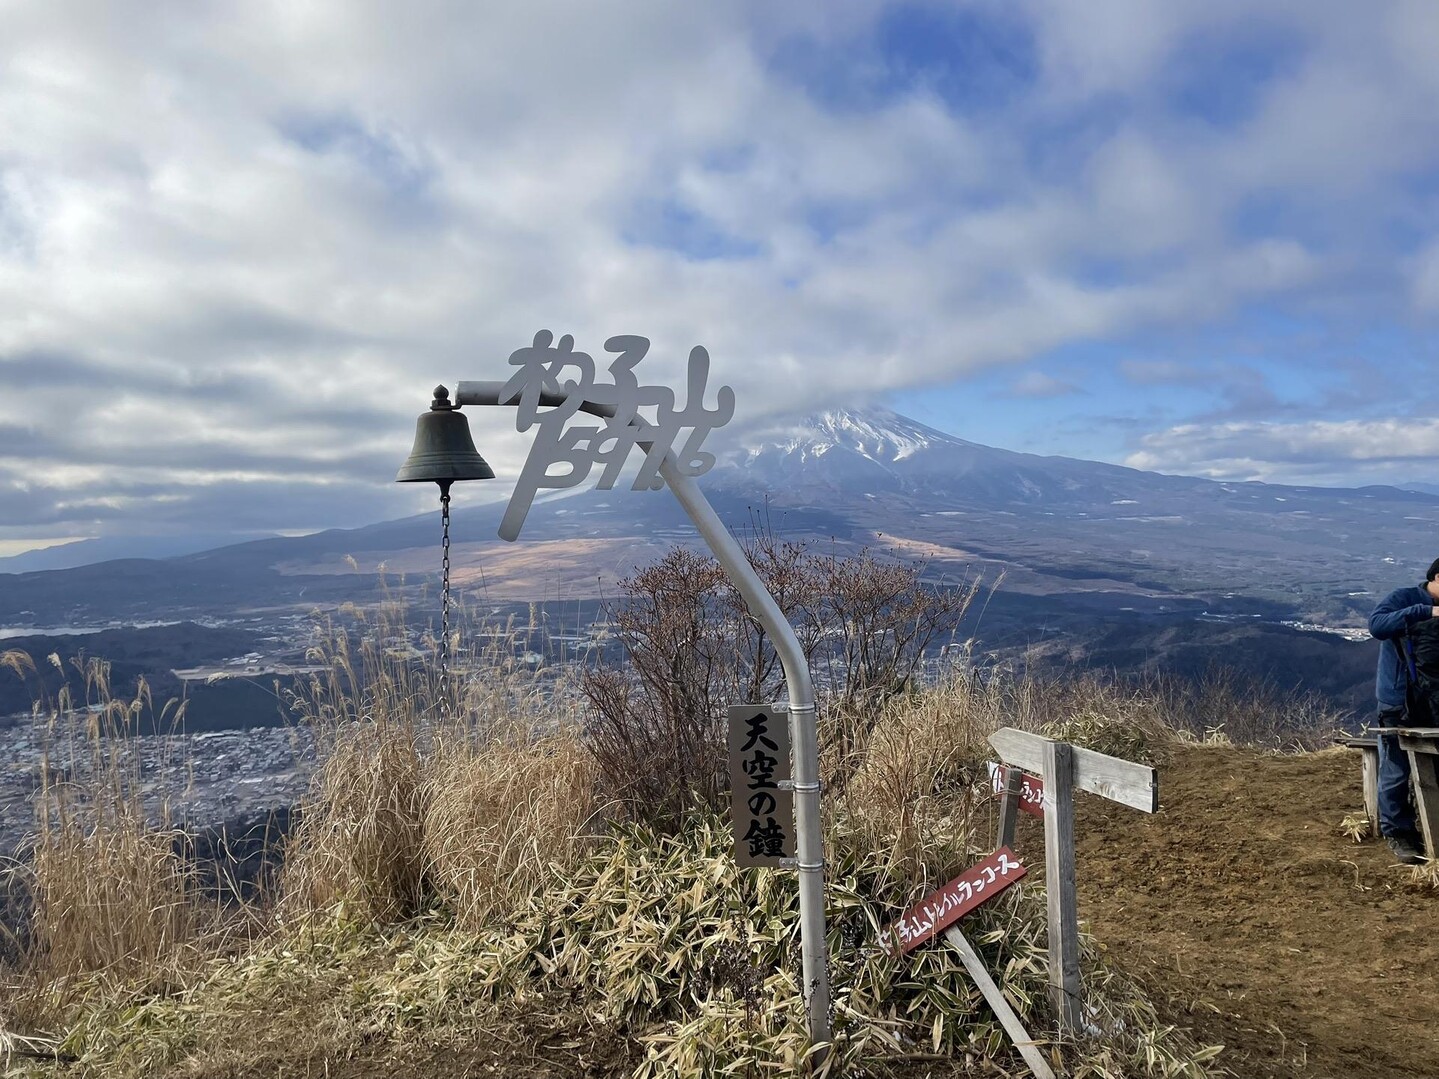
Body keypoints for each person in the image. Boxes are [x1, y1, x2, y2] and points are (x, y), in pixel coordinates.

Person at [1367, 557, 1439, 865]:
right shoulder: (1406, 598)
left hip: (1432, 702)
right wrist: (1425, 613)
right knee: (1396, 769)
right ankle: (1399, 833)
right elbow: (1377, 625)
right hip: (1397, 699)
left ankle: (1428, 830)